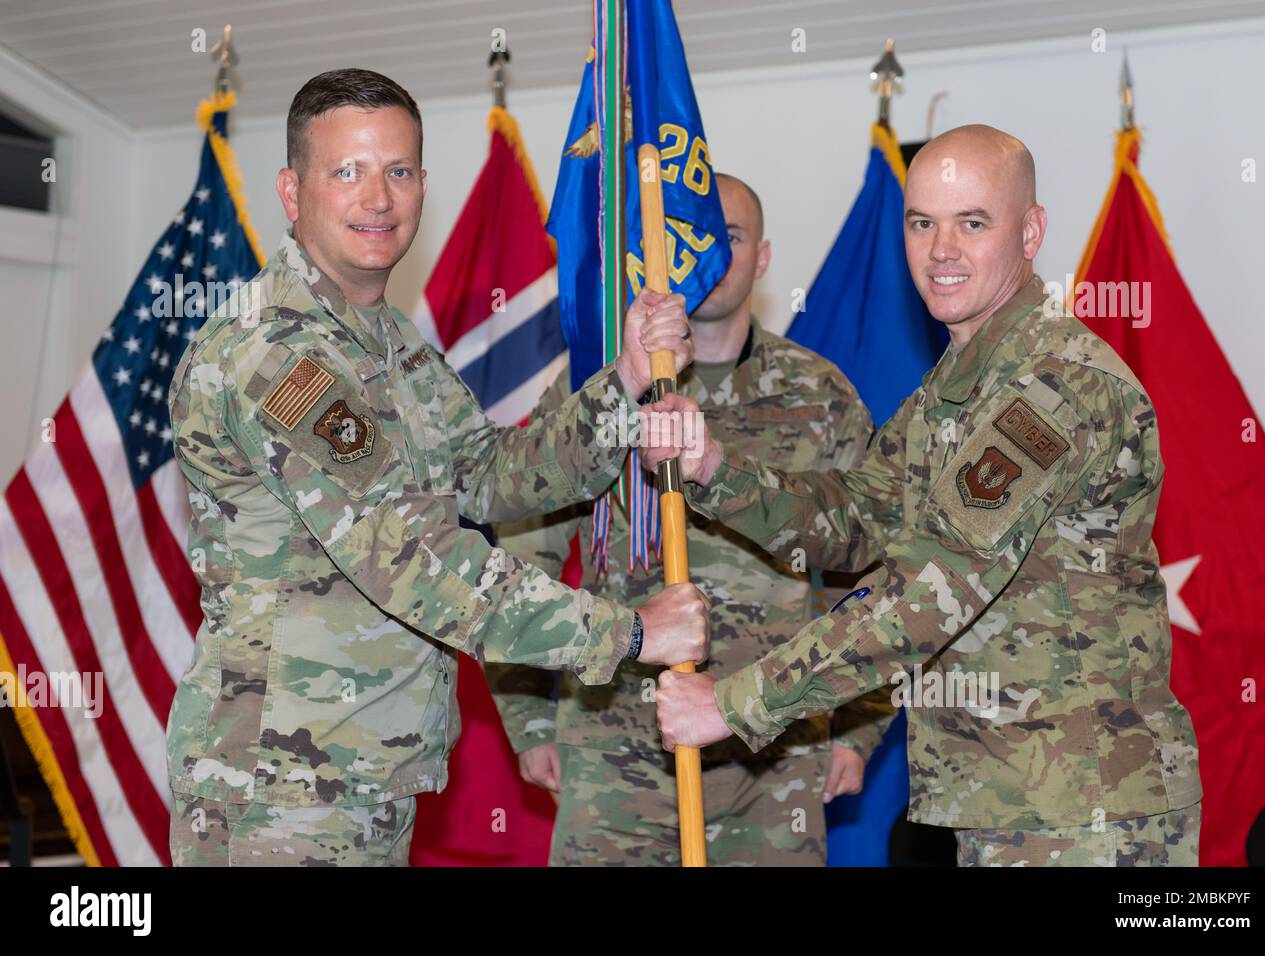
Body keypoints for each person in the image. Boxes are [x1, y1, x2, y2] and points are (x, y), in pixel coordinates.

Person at [165, 68, 709, 866]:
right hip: (276, 793)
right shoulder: (273, 350)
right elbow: (413, 559)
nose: (377, 197)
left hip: (368, 771)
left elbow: (494, 475)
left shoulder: (396, 345)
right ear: (292, 191)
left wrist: (623, 384)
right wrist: (627, 633)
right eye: (346, 170)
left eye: (400, 170)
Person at [647, 125, 1203, 867]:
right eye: (922, 223)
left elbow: (925, 592)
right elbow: (856, 519)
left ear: (1031, 230)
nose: (941, 250)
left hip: (1083, 809)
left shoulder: (1054, 387)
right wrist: (716, 467)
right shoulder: (954, 389)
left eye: (972, 222)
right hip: (1006, 797)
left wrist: (734, 702)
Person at [486, 174, 895, 866]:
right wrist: (528, 721)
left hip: (776, 749)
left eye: (730, 238)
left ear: (762, 258)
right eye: (694, 238)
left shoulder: (822, 395)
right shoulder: (603, 390)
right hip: (614, 747)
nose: (711, 255)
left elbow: (878, 568)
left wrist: (857, 729)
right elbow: (524, 556)